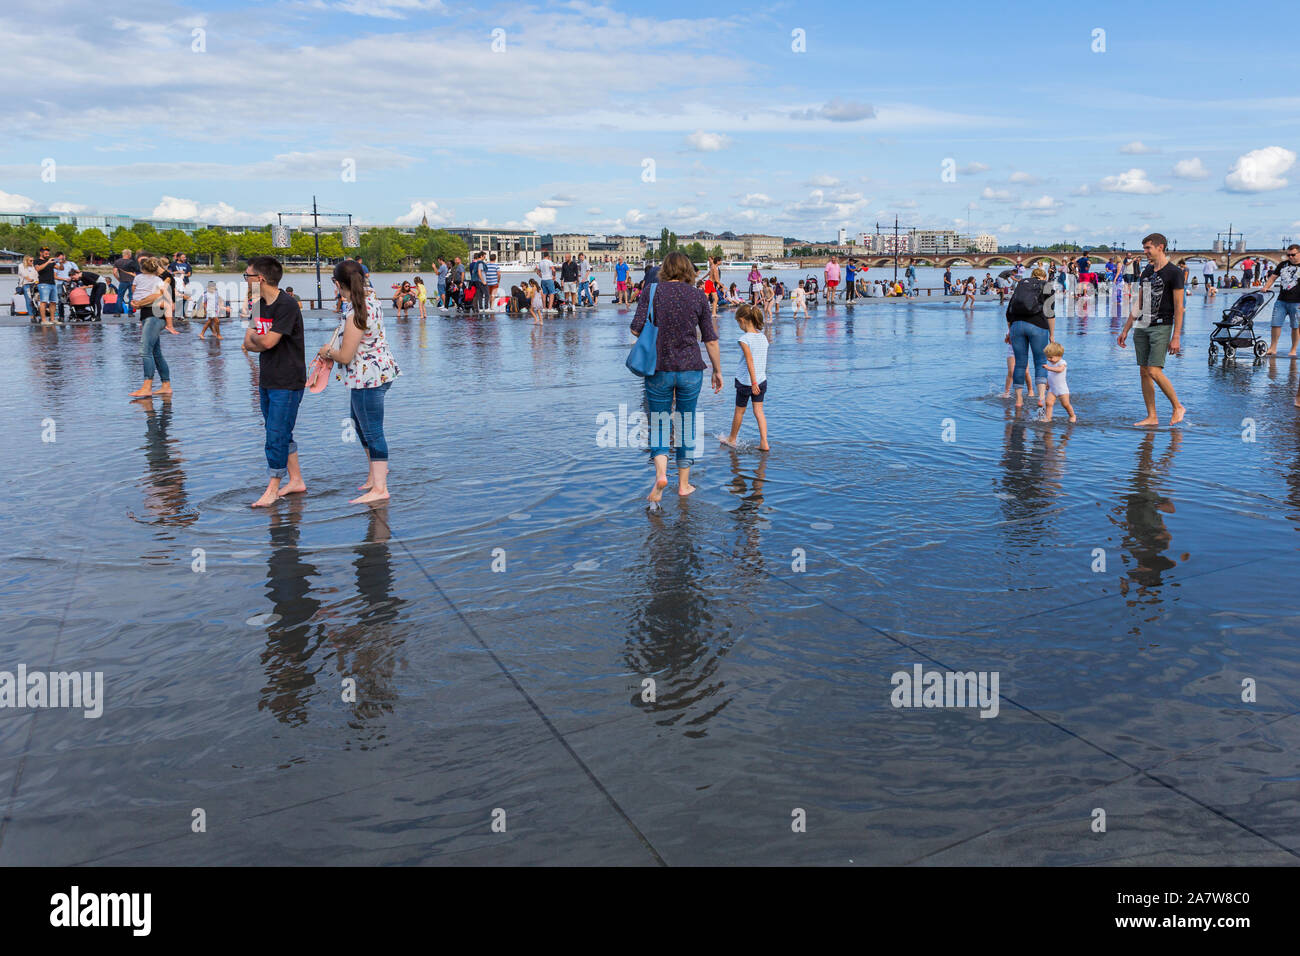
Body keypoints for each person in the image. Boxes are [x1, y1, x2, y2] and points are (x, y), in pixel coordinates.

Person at [629, 251, 723, 507]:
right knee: (685, 424)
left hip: (658, 368)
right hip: (690, 369)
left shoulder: (651, 291)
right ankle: (683, 485)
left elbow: (636, 328)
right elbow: (710, 338)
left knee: (658, 423)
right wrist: (717, 370)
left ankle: (661, 475)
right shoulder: (698, 295)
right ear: (688, 271)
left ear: (665, 269)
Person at [318, 258, 400, 505]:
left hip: (367, 378)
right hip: (379, 372)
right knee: (359, 425)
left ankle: (380, 488)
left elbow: (345, 355)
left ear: (337, 283)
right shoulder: (370, 300)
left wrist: (326, 352)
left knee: (373, 432)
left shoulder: (357, 312)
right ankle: (375, 475)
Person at [241, 256, 307, 507]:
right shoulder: (258, 304)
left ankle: (273, 487)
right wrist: (261, 340)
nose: (245, 280)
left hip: (288, 380)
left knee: (275, 434)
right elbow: (247, 344)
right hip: (267, 378)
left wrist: (260, 340)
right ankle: (297, 480)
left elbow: (264, 343)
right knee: (280, 431)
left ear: (260, 279)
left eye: (247, 276)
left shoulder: (287, 305)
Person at [1117, 233, 1186, 427]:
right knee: (1144, 372)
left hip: (1162, 326)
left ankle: (1177, 406)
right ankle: (1152, 416)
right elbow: (1139, 301)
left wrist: (1176, 336)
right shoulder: (1147, 271)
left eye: (1148, 248)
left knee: (1155, 371)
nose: (1145, 252)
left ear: (1160, 247)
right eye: (1145, 248)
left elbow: (1179, 306)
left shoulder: (1174, 273)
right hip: (1142, 325)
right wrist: (1126, 328)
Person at [719, 304, 770, 452]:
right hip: (762, 381)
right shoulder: (763, 337)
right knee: (759, 411)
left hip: (746, 382)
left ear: (742, 320)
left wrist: (753, 382)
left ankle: (732, 439)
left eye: (738, 322)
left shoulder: (744, 339)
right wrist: (757, 381)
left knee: (739, 411)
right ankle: (764, 442)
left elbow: (749, 360)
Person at [1004, 266, 1056, 410]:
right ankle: (1040, 398)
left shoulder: (1021, 284)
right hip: (1038, 325)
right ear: (1044, 277)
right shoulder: (1047, 286)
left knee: (1020, 363)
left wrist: (1010, 331)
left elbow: (1009, 311)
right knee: (1040, 361)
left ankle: (1019, 399)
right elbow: (1050, 313)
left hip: (1016, 326)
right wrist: (1051, 335)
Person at [128, 256, 178, 398]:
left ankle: (147, 387)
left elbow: (163, 300)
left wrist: (139, 303)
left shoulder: (162, 280)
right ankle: (166, 385)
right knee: (155, 352)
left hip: (154, 317)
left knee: (145, 351)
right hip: (149, 316)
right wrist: (138, 303)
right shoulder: (156, 280)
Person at [1262, 244, 1300, 357]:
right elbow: (1273, 277)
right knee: (1275, 324)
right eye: (1288, 255)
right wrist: (1266, 287)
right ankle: (1273, 348)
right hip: (1281, 301)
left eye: (1293, 255)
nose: (1290, 257)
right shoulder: (1283, 265)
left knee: (1296, 327)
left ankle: (1293, 349)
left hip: (1297, 302)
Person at [1041, 342, 1076, 422]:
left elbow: (1059, 370)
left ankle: (1072, 416)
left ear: (1059, 355)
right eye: (1047, 357)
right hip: (1052, 388)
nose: (1048, 359)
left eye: (1051, 357)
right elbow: (1049, 375)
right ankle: (1048, 418)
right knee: (1048, 403)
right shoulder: (1050, 363)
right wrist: (1047, 383)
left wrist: (1049, 368)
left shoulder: (1062, 363)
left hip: (1062, 389)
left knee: (1065, 404)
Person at [32, 246, 58, 325]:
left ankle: (52, 319)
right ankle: (43, 320)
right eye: (46, 253)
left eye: (48, 253)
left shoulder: (51, 261)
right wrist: (47, 262)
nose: (47, 255)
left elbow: (61, 268)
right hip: (43, 283)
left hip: (52, 283)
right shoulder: (37, 261)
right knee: (43, 302)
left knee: (53, 302)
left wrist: (60, 261)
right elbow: (38, 269)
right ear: (41, 253)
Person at [113, 247, 139, 315]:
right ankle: (130, 313)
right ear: (128, 254)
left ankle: (117, 313)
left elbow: (115, 272)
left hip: (123, 281)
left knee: (120, 297)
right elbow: (136, 273)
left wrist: (118, 279)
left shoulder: (117, 262)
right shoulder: (132, 262)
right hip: (132, 281)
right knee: (131, 297)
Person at [18, 255, 37, 320]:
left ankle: (36, 313)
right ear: (26, 261)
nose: (32, 262)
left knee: (36, 299)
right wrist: (29, 279)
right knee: (29, 300)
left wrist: (37, 280)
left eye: (33, 260)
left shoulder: (33, 266)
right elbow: (23, 274)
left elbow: (37, 274)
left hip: (35, 284)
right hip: (26, 284)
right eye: (30, 260)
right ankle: (32, 316)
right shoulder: (21, 266)